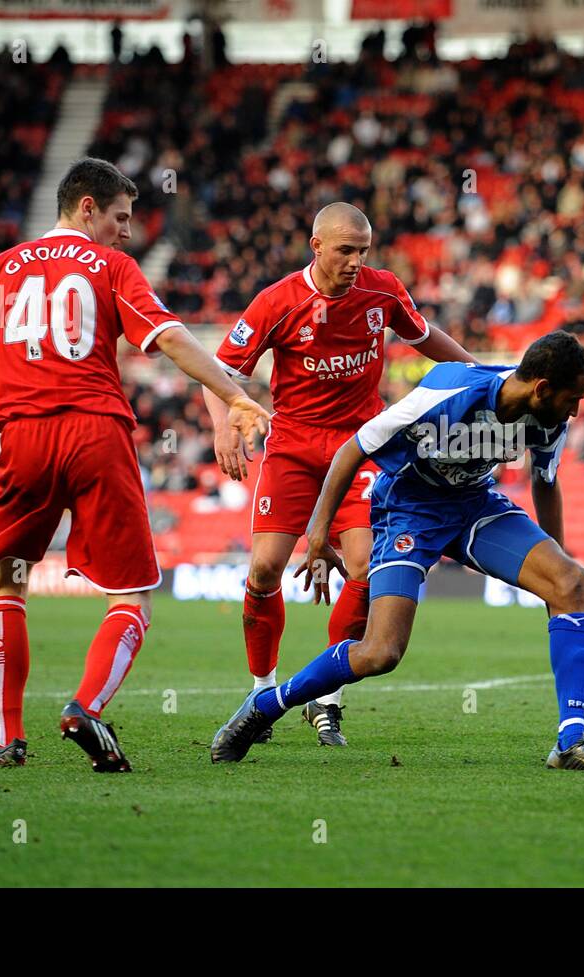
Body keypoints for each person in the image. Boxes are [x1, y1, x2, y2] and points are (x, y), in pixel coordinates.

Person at [0, 157, 268, 772]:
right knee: (131, 595)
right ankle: (86, 709)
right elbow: (172, 337)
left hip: (20, 439)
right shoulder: (111, 266)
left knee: (8, 581)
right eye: (121, 218)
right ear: (88, 209)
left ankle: (6, 738)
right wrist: (235, 395)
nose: (127, 233)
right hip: (97, 434)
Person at [211, 331, 584, 772]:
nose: (576, 410)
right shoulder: (446, 392)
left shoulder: (548, 418)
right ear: (541, 388)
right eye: (572, 398)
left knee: (572, 583)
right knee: (380, 653)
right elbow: (353, 449)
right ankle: (269, 702)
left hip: (474, 506)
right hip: (409, 510)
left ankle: (571, 742)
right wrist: (317, 534)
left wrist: (555, 563)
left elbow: (545, 481)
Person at [205, 202, 475, 755]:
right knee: (262, 570)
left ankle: (326, 699)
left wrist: (484, 375)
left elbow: (425, 338)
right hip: (293, 448)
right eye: (346, 250)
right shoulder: (277, 301)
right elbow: (220, 372)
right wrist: (224, 428)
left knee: (363, 568)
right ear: (317, 246)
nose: (356, 261)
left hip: (361, 445)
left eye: (363, 251)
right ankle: (260, 693)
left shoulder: (383, 291)